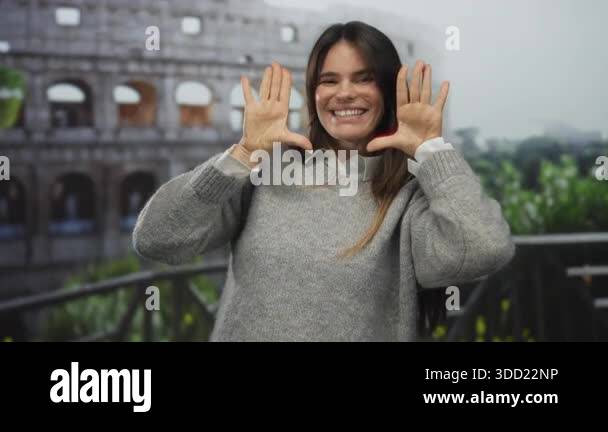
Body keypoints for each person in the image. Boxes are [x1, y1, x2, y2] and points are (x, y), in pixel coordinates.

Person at [132, 21, 515, 341]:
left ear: (387, 92)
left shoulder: (408, 197)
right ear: (314, 94)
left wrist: (431, 151)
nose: (344, 93)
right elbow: (156, 238)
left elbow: (484, 248)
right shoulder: (267, 175)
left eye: (363, 79)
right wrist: (243, 154)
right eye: (329, 81)